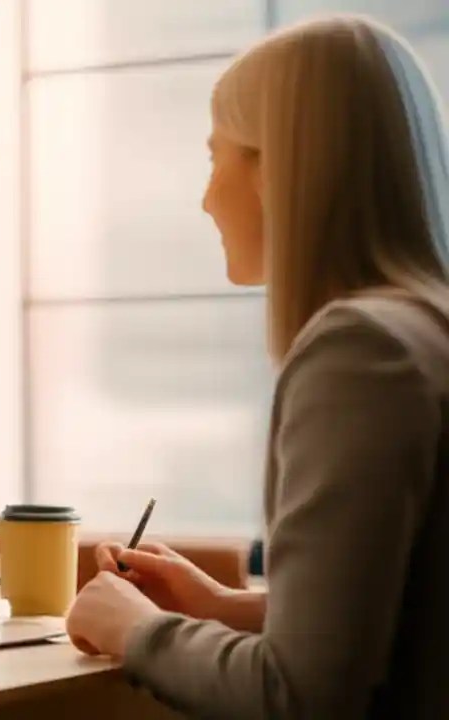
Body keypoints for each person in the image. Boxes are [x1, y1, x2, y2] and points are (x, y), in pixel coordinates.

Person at [65, 15, 449, 717]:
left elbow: (299, 696)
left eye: (217, 158)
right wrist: (225, 608)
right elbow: (412, 620)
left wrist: (136, 629)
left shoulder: (359, 353)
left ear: (278, 169)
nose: (207, 198)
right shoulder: (426, 332)